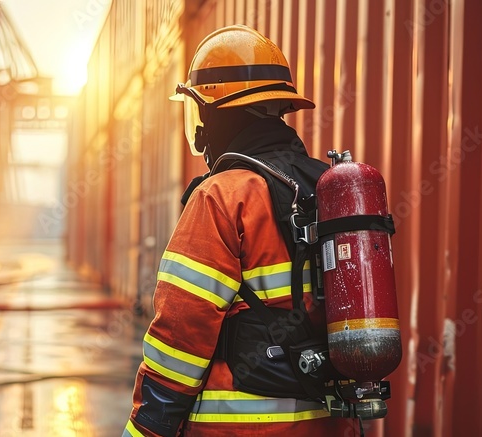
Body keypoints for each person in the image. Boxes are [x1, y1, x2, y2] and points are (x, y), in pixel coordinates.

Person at [123, 25, 360, 436]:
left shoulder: (222, 195)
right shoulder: (327, 186)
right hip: (326, 425)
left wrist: (146, 429)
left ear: (216, 112)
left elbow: (180, 332)